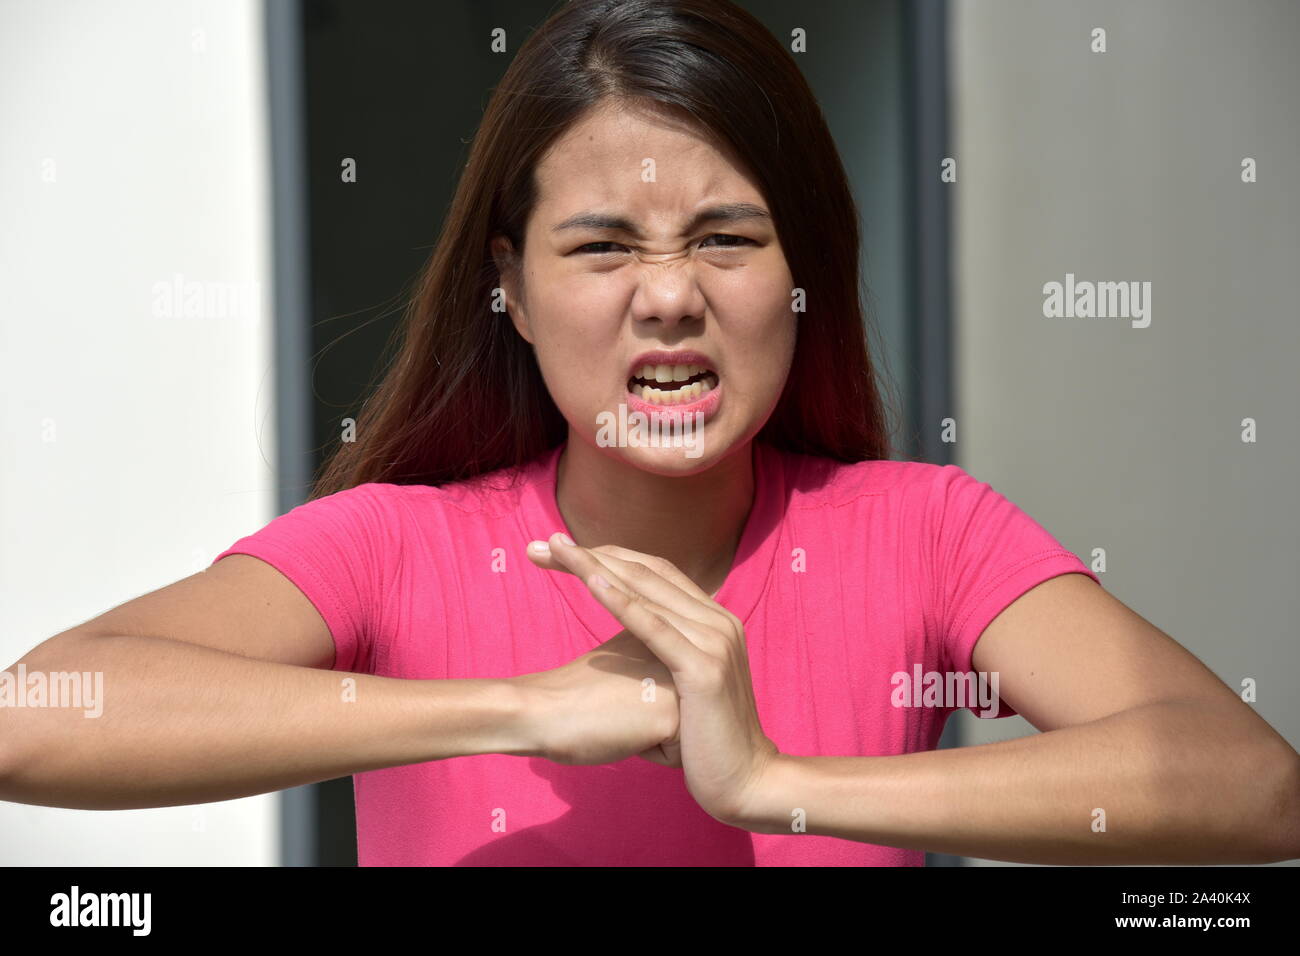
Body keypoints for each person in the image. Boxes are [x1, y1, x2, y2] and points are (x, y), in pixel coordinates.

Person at [3, 0, 1296, 867]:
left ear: (802, 273)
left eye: (727, 239)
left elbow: (1250, 783)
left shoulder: (921, 530)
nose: (670, 293)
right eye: (603, 246)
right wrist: (522, 709)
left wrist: (775, 783)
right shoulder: (395, 546)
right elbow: (34, 720)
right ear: (508, 286)